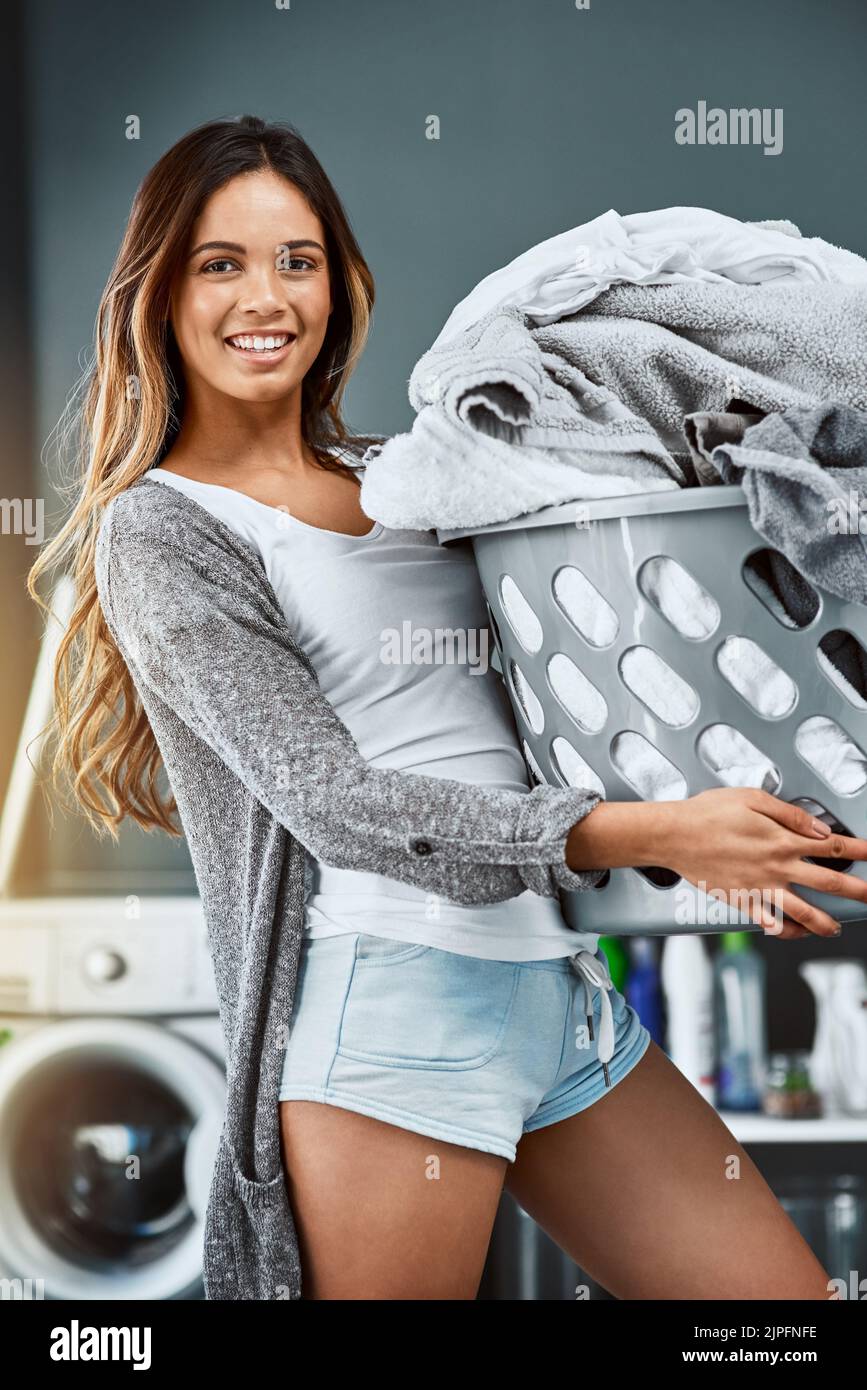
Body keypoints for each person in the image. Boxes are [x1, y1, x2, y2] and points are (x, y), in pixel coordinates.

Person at [29, 114, 861, 1301]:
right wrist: (661, 837)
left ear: (337, 282)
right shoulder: (161, 528)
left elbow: (580, 697)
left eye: (296, 260)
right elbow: (341, 806)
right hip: (393, 1014)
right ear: (158, 291)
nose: (265, 296)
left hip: (561, 991)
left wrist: (704, 859)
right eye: (222, 262)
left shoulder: (417, 471)